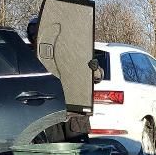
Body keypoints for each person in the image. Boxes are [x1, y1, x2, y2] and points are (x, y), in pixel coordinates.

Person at [26, 13, 103, 142]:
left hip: (75, 114)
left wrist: (93, 69)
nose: (37, 38)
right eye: (34, 36)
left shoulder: (71, 52)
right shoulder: (29, 58)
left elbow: (98, 77)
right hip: (50, 114)